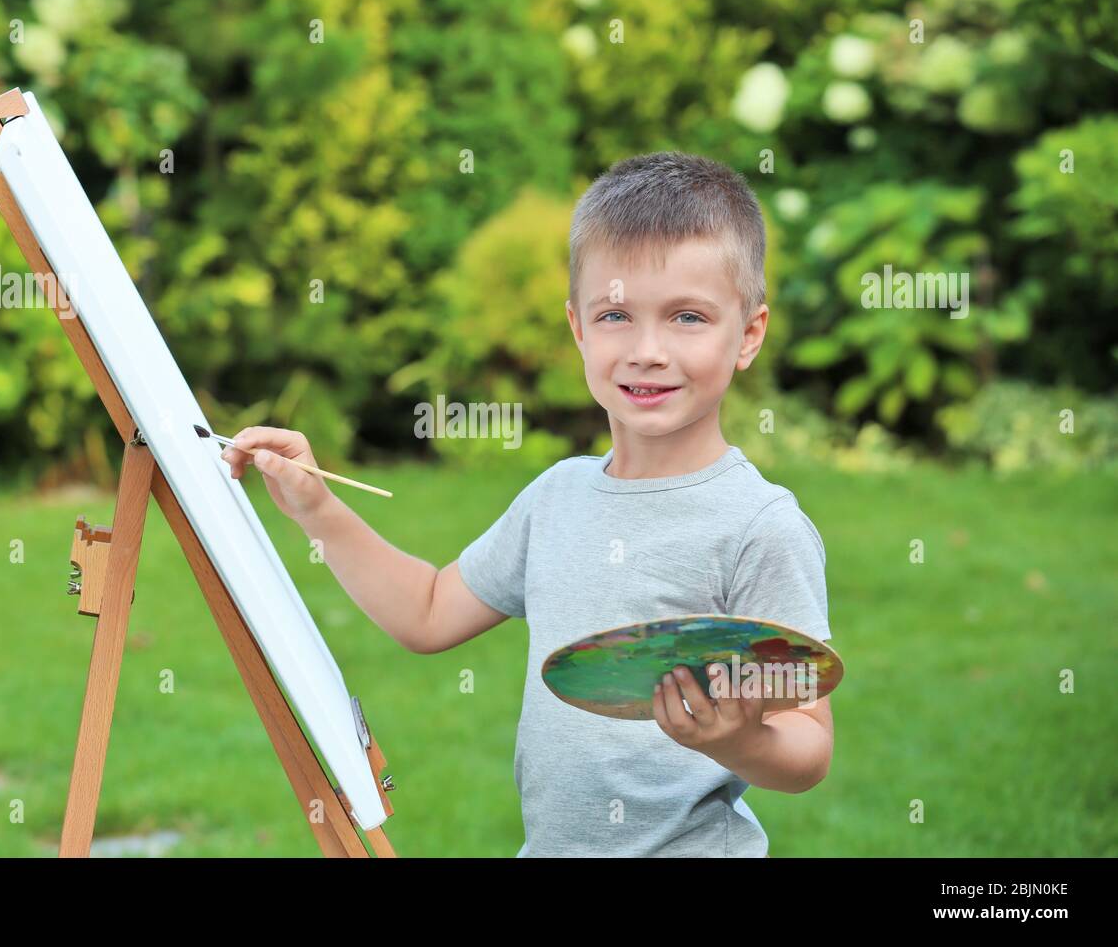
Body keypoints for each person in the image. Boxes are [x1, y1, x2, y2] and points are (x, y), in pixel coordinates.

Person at [222, 152, 834, 857]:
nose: (647, 350)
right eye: (615, 316)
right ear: (578, 328)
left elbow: (809, 744)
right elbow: (426, 612)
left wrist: (744, 739)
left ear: (748, 334)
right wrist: (316, 508)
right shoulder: (557, 498)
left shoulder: (760, 526)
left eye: (688, 317)